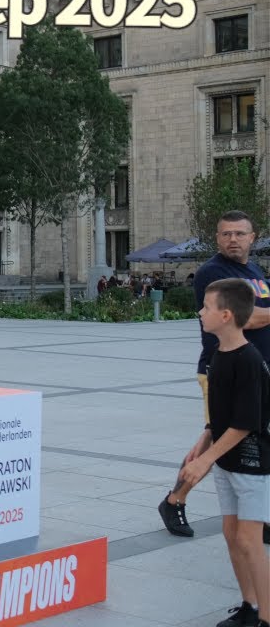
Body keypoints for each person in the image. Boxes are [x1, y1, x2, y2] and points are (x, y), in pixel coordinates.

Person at [160, 211, 270, 543]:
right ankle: (175, 499)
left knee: (244, 437)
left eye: (239, 233)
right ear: (217, 238)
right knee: (218, 439)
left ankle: (258, 516)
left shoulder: (255, 271)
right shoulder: (212, 272)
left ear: (253, 237)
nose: (233, 239)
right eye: (226, 234)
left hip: (257, 368)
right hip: (221, 370)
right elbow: (241, 319)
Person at [176, 279, 270, 627]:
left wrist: (205, 460)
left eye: (207, 307)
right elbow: (220, 415)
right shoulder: (220, 354)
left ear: (226, 315)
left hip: (250, 463)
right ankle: (249, 606)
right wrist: (201, 443)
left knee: (250, 540)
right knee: (232, 535)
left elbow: (245, 423)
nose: (200, 312)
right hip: (226, 459)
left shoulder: (248, 359)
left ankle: (266, 616)